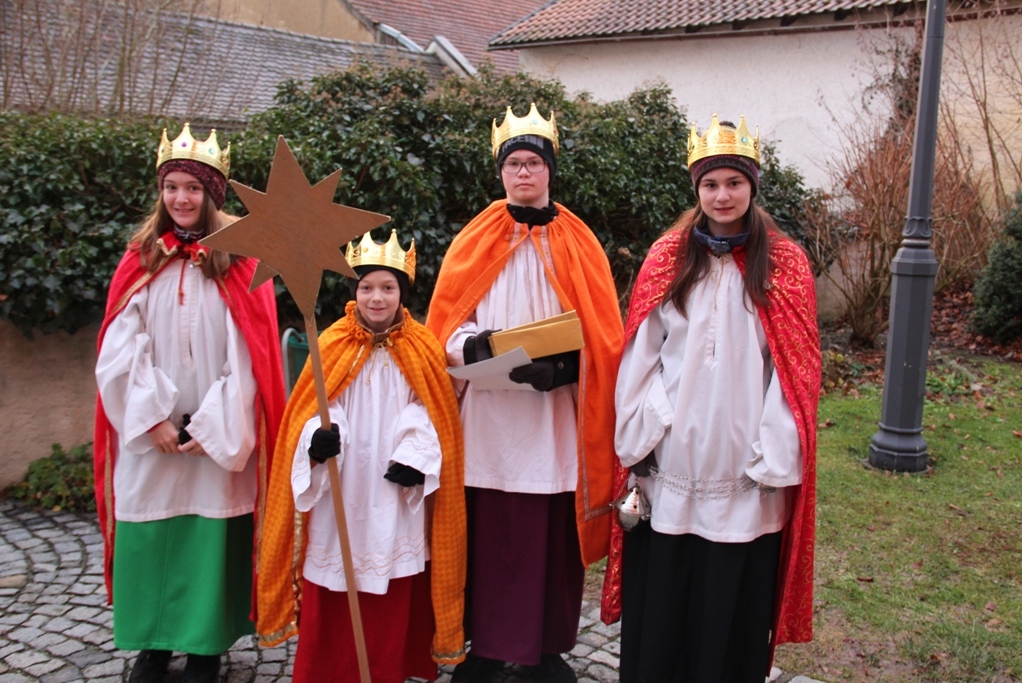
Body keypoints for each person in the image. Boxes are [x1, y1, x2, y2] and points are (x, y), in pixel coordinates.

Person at [598, 115, 822, 682]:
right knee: (666, 596)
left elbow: (795, 372)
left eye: (734, 183)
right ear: (696, 190)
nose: (722, 196)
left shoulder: (786, 264)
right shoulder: (668, 257)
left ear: (752, 186)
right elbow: (640, 355)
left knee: (731, 598)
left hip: (745, 461)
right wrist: (644, 433)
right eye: (710, 184)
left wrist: (773, 454)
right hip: (673, 456)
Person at [426, 103, 623, 683]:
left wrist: (566, 367)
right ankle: (484, 650)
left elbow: (604, 334)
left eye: (533, 162)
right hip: (487, 419)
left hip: (553, 419)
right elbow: (444, 327)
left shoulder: (579, 240)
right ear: (501, 172)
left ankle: (545, 651)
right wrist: (479, 348)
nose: (523, 173)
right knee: (489, 539)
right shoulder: (473, 239)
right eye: (513, 163)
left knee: (548, 540)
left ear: (549, 170)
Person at [94, 123, 285, 683]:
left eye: (193, 189)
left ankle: (205, 646)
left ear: (212, 196)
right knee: (148, 535)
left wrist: (215, 425)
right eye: (173, 186)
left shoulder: (243, 262)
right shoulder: (140, 259)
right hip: (147, 435)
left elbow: (252, 359)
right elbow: (119, 347)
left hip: (214, 436)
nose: (181, 198)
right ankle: (151, 645)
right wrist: (149, 416)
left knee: (211, 538)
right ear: (162, 192)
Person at [256, 230, 467, 683]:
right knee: (335, 585)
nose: (377, 297)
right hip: (343, 492)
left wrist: (415, 457)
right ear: (355, 292)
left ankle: (386, 670)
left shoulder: (423, 346)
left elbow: (430, 411)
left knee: (391, 587)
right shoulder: (330, 343)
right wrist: (319, 439)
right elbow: (311, 410)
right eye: (367, 287)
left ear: (402, 293)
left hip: (394, 496)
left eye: (388, 288)